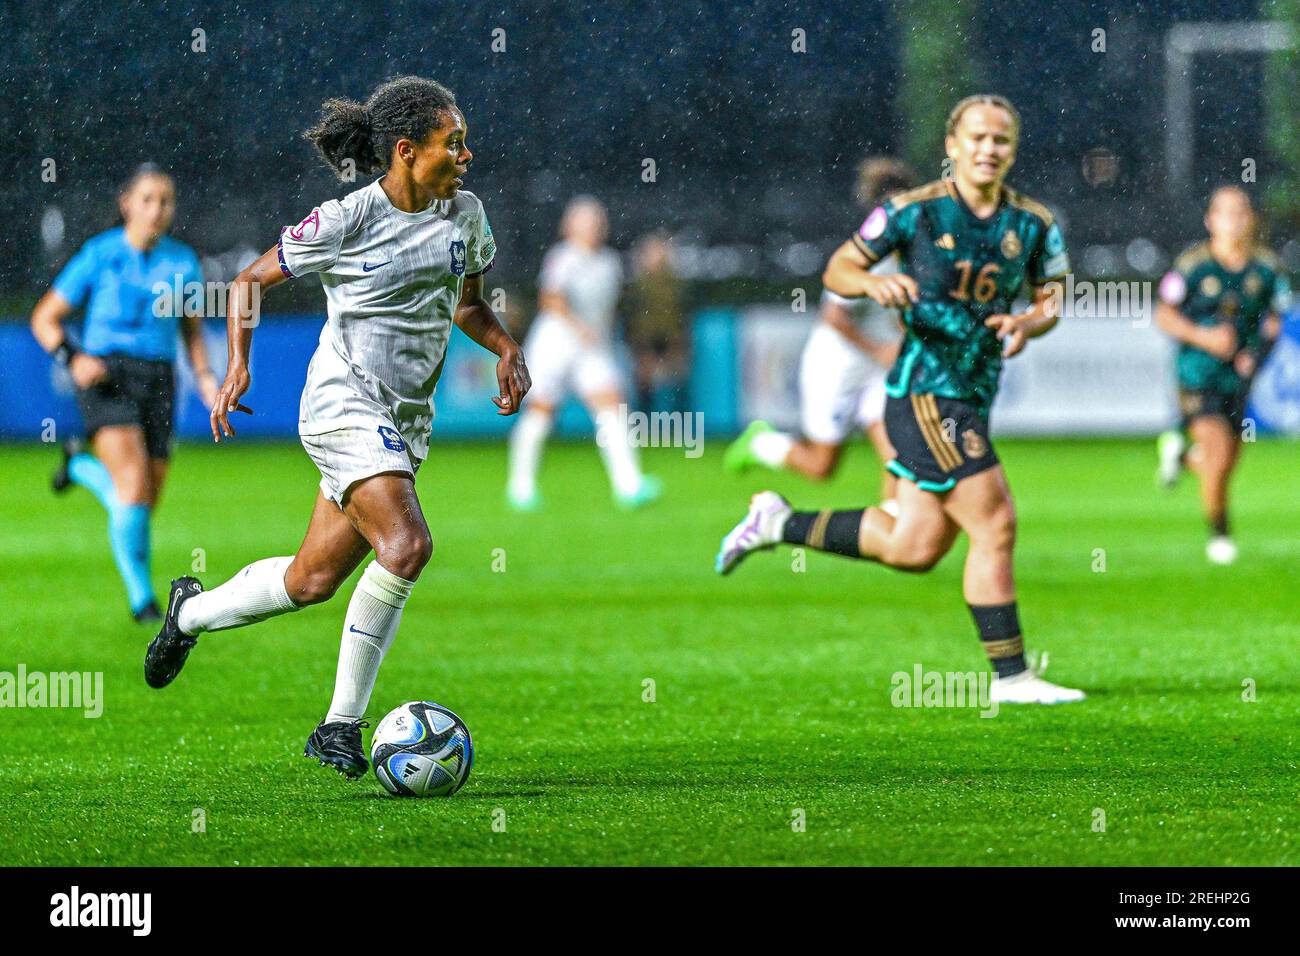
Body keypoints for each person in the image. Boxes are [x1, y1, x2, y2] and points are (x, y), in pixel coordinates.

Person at [142, 76, 531, 780]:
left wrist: (506, 348)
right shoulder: (348, 218)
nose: (467, 156)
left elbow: (467, 305)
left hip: (404, 421)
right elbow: (248, 282)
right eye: (455, 143)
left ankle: (189, 614)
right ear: (408, 151)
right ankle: (339, 727)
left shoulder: (465, 215)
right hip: (342, 405)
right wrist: (237, 368)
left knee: (310, 580)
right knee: (408, 544)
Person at [715, 95, 1084, 705]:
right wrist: (871, 280)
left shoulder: (1034, 225)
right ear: (952, 145)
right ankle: (1014, 677)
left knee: (914, 546)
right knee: (995, 521)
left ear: (1014, 150)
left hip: (971, 394)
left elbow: (1051, 299)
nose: (989, 149)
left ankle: (777, 521)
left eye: (1002, 140)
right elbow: (838, 269)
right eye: (978, 138)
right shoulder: (910, 213)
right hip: (925, 393)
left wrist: (1029, 323)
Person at [30, 164, 218, 622]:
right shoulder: (101, 254)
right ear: (127, 204)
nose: (157, 209)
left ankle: (79, 466)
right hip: (107, 377)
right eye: (147, 199)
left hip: (158, 380)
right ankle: (144, 604)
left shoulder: (182, 261)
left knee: (143, 502)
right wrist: (73, 358)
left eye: (166, 200)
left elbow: (191, 331)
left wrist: (207, 376)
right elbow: (44, 318)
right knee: (132, 491)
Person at [725, 157, 919, 510]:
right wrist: (880, 350)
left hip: (876, 371)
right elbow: (834, 316)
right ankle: (763, 444)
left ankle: (893, 526)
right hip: (837, 366)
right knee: (822, 467)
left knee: (898, 450)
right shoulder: (863, 254)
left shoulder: (912, 255)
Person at [1155, 186, 1290, 565]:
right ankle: (1220, 536)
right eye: (1226, 213)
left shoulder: (1266, 269)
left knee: (1226, 461)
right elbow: (1164, 314)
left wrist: (1255, 357)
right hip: (1197, 374)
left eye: (1242, 213)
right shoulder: (1194, 265)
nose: (1234, 221)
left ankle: (1180, 456)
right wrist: (1203, 336)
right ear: (1210, 221)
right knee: (1215, 452)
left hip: (1238, 380)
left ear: (1252, 220)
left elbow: (1275, 323)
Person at [505, 197, 661, 511]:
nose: (593, 227)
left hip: (591, 347)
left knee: (612, 408)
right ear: (569, 226)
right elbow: (551, 300)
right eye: (585, 221)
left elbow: (611, 309)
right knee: (542, 410)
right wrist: (580, 328)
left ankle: (628, 486)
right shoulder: (562, 258)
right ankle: (520, 488)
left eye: (597, 221)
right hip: (555, 342)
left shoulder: (609, 262)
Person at [627, 232, 688, 413]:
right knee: (645, 385)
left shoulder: (674, 282)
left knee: (677, 383)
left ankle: (679, 426)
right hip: (645, 340)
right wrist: (638, 345)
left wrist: (677, 342)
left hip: (671, 339)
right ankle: (643, 425)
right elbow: (632, 315)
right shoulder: (638, 283)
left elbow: (682, 313)